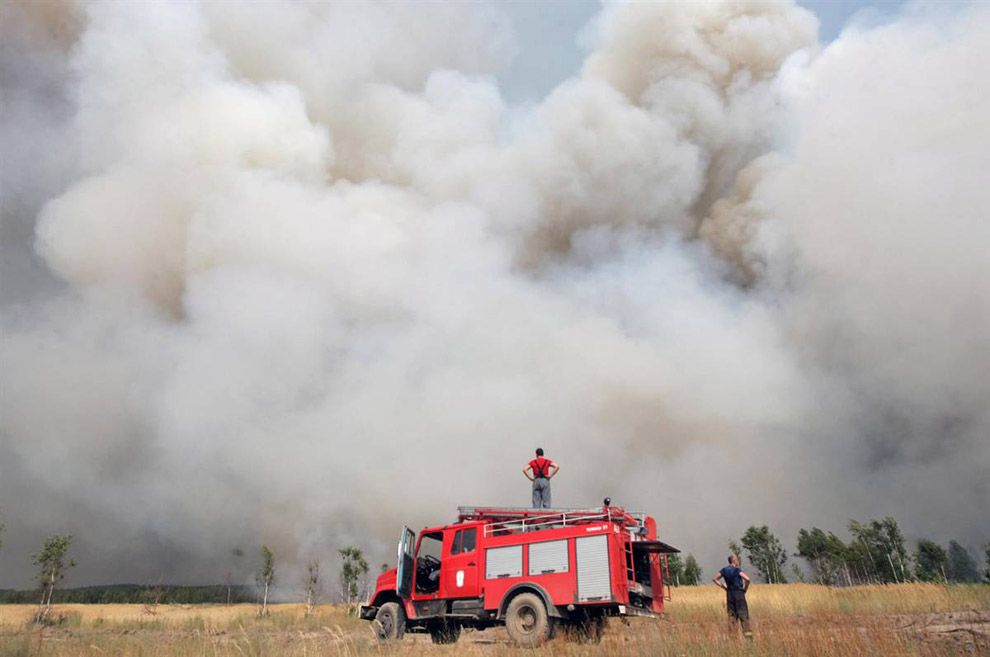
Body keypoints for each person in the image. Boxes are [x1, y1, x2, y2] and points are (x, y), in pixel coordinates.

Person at [713, 554, 752, 637]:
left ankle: (733, 637)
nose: (738, 561)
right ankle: (748, 636)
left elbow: (715, 579)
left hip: (729, 594)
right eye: (737, 560)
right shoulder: (737, 570)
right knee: (743, 615)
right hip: (739, 593)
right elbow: (747, 579)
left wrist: (723, 586)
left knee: (732, 616)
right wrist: (745, 589)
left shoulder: (724, 570)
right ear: (734, 561)